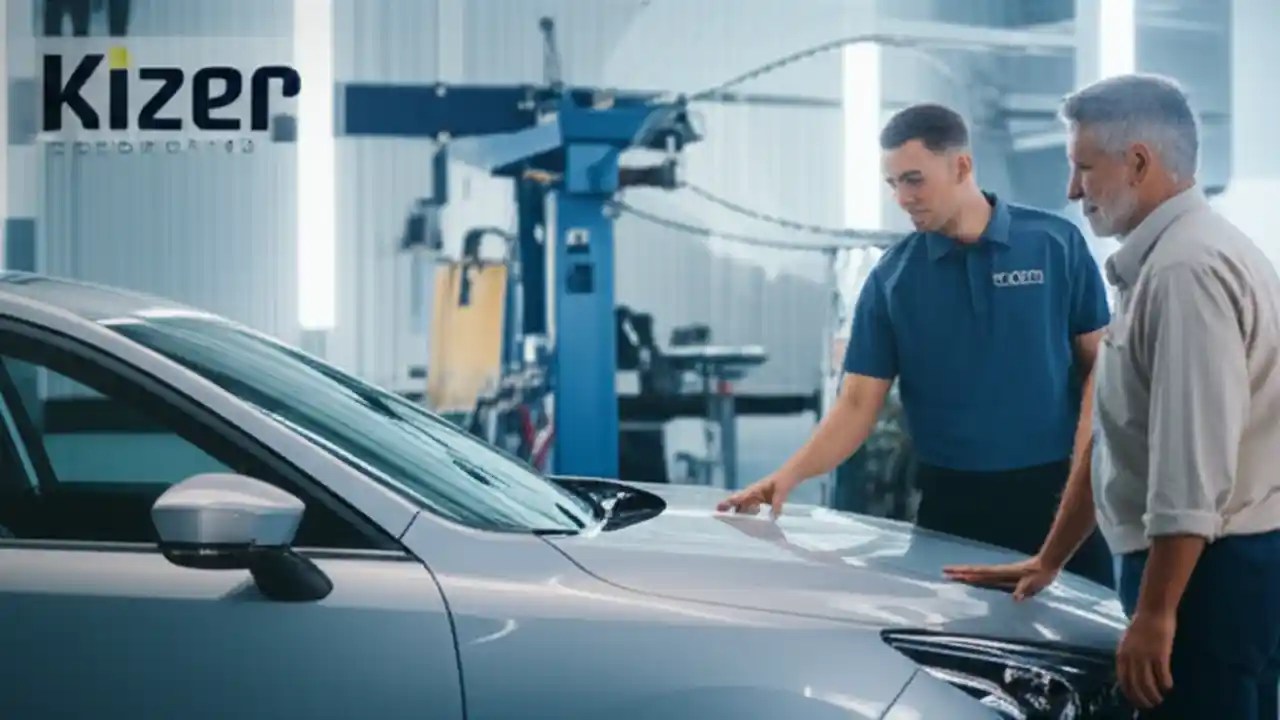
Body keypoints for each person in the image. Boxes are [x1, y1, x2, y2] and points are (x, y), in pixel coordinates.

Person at [946, 73, 1280, 717]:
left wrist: (1157, 613)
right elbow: (1117, 433)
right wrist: (1051, 558)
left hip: (1203, 580)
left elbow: (1191, 464)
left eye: (1082, 168)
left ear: (1138, 163)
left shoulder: (1186, 273)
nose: (1073, 190)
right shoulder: (1163, 262)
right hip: (1203, 571)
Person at [715, 102, 1116, 588]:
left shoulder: (1055, 244)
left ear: (961, 166)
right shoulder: (893, 279)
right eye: (893, 184)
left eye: (914, 179)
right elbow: (859, 403)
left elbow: (1100, 366)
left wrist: (1084, 469)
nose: (902, 198)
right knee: (955, 652)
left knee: (1085, 645)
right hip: (953, 504)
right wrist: (787, 477)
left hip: (1058, 495)